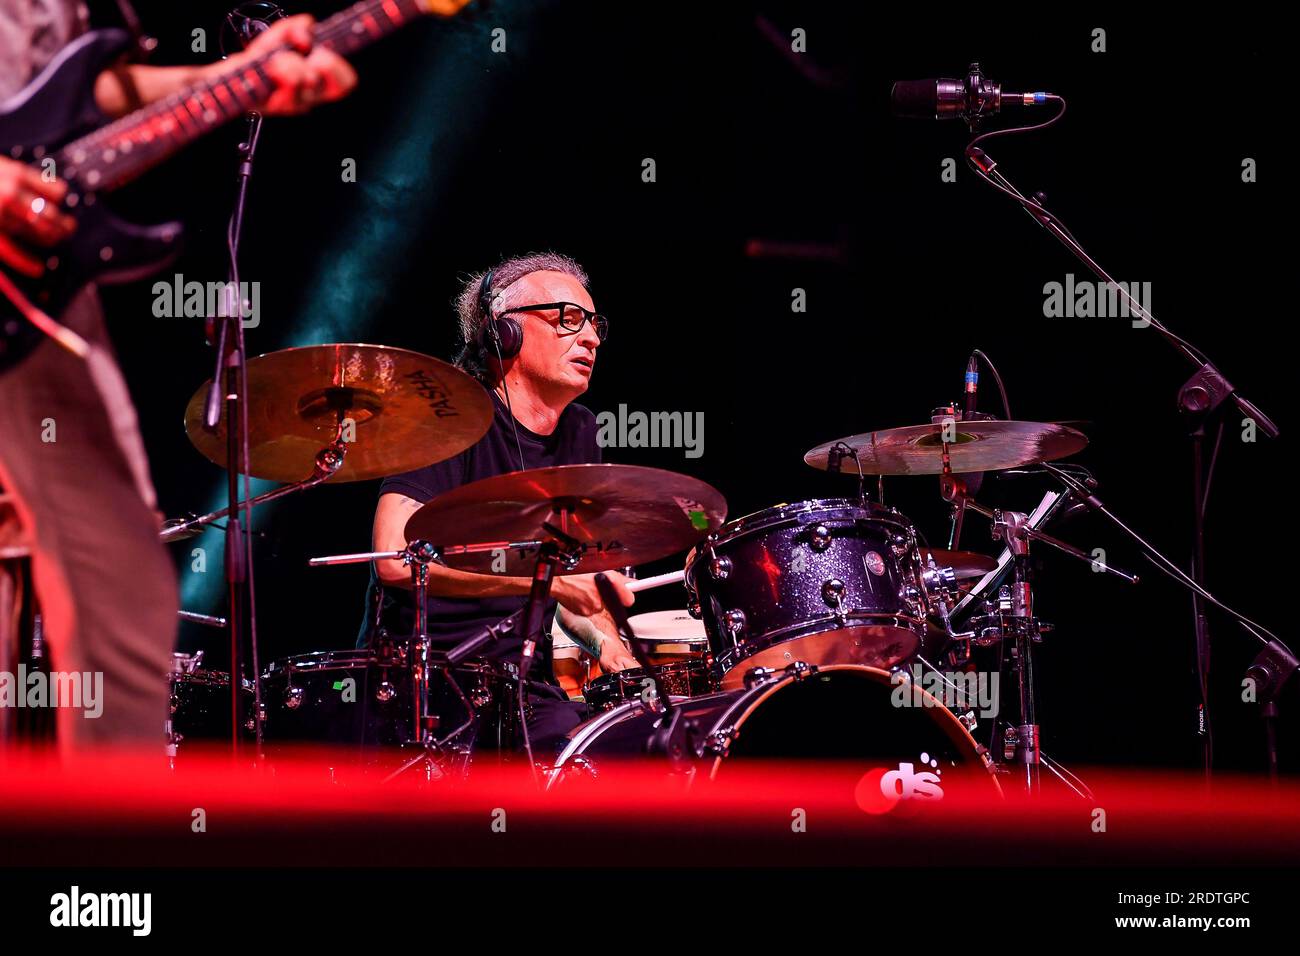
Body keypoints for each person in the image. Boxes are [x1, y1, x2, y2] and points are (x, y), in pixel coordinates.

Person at [0, 1, 356, 749]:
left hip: (29, 296)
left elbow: (80, 91)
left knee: (112, 586)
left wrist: (225, 80)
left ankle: (106, 851)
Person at [360, 252, 639, 756]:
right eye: (568, 319)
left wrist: (608, 641)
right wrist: (545, 580)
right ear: (503, 333)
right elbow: (393, 559)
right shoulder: (447, 416)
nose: (592, 339)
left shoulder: (581, 433)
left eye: (595, 324)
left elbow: (572, 586)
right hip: (426, 686)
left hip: (524, 687)